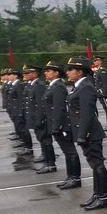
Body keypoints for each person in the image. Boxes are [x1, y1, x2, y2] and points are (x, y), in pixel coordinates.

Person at [65, 57, 107, 210]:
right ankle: (97, 194)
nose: (68, 72)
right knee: (94, 165)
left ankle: (104, 197)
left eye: (71, 69)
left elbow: (87, 113)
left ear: (79, 72)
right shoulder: (79, 86)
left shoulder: (85, 87)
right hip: (86, 132)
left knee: (98, 164)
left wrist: (82, 135)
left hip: (91, 133)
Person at [42, 61, 82, 189]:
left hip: (62, 124)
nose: (45, 73)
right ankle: (70, 176)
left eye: (48, 71)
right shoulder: (53, 86)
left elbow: (59, 108)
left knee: (70, 151)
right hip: (57, 123)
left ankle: (75, 178)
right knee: (67, 151)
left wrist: (56, 126)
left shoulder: (58, 86)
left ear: (56, 73)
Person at [23, 65, 55, 173]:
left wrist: (39, 119)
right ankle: (45, 157)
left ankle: (50, 164)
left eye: (28, 73)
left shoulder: (39, 86)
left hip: (41, 118)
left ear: (35, 74)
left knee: (46, 141)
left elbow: (41, 104)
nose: (25, 75)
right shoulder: (32, 85)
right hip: (35, 117)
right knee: (41, 139)